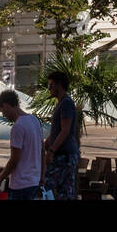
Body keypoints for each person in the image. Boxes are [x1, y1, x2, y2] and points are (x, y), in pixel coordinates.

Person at [0, 91, 44, 200]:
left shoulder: (18, 127)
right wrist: (42, 176)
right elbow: (42, 151)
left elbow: (15, 158)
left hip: (21, 184)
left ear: (6, 105)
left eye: (2, 111)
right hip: (34, 182)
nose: (3, 115)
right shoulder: (34, 120)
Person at [43, 71, 80, 200]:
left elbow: (65, 130)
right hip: (62, 153)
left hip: (65, 155)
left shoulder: (66, 103)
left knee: (53, 186)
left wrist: (52, 150)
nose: (49, 89)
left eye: (51, 85)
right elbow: (57, 131)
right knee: (55, 188)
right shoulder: (61, 103)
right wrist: (45, 144)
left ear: (59, 85)